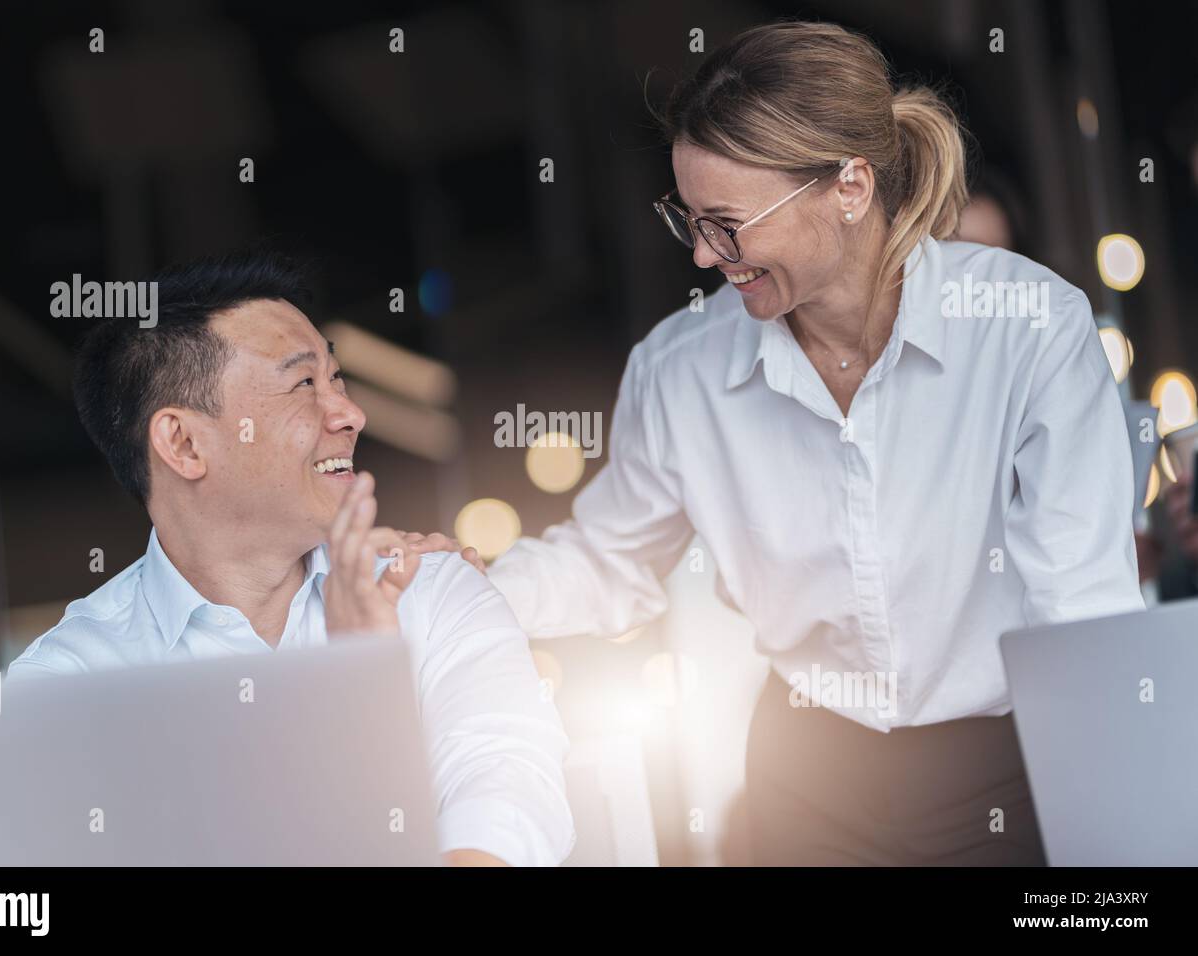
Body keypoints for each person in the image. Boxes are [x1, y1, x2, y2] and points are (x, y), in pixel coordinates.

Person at [421, 21, 1144, 865]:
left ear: (849, 187)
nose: (702, 254)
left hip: (1003, 770)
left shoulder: (1029, 328)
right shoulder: (680, 370)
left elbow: (1081, 615)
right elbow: (609, 562)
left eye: (726, 223)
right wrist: (461, 592)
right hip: (806, 779)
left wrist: (1117, 854)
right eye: (686, 220)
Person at [7, 248, 575, 867]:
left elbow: (507, 795)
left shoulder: (434, 593)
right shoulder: (71, 683)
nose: (350, 414)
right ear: (183, 442)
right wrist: (355, 687)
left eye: (337, 379)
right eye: (303, 383)